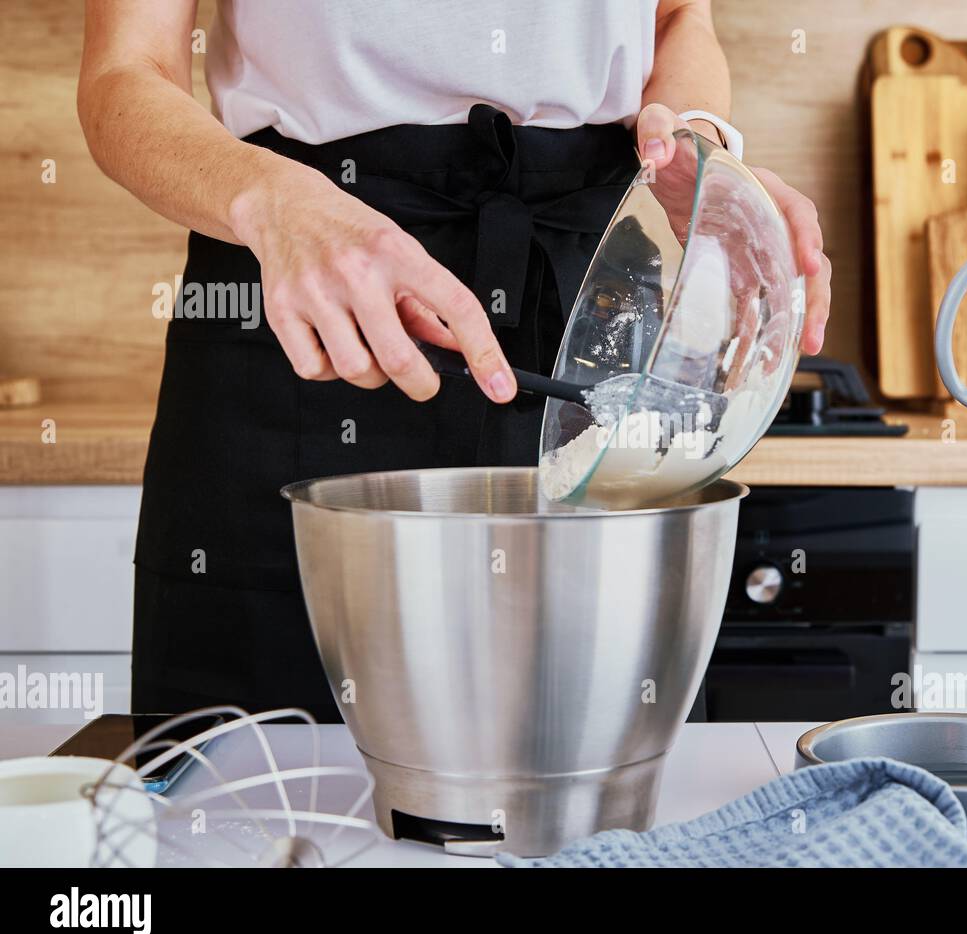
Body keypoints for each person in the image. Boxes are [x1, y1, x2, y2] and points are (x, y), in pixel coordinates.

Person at [78, 0, 832, 721]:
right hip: (303, 283)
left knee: (597, 795)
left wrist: (699, 150)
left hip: (589, 292)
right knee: (245, 804)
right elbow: (124, 74)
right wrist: (269, 202)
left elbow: (679, 17)